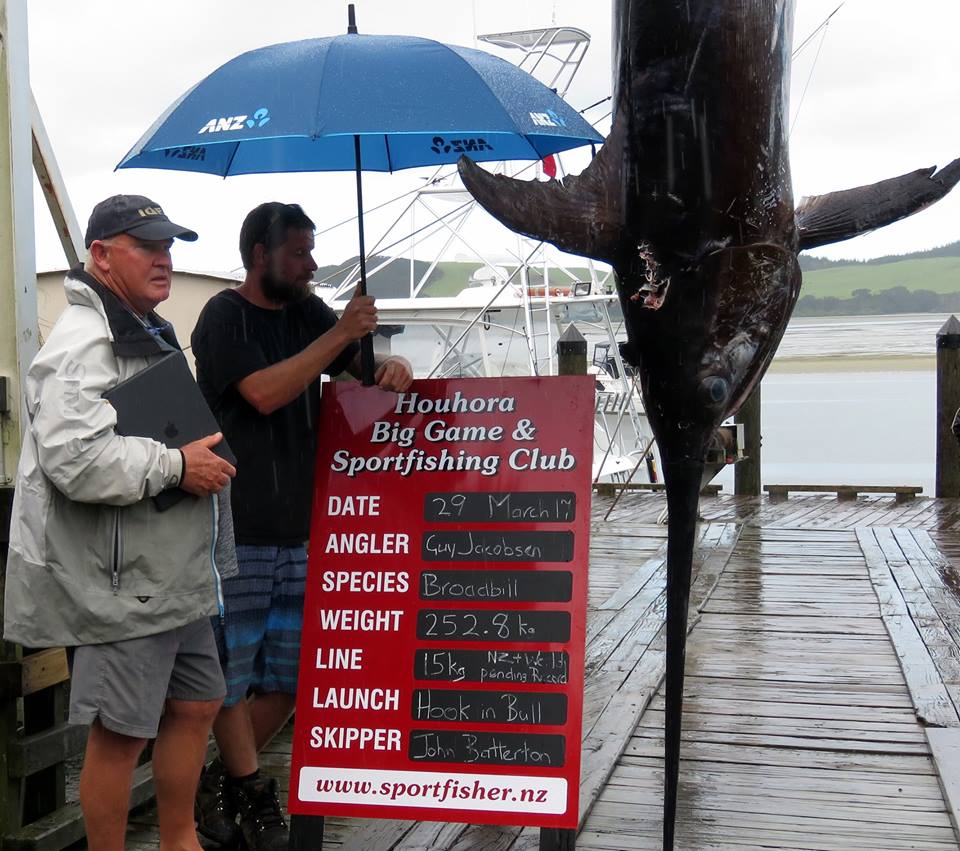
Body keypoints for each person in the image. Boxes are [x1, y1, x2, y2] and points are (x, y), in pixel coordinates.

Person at [3, 194, 238, 850]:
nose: (165, 259)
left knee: (196, 703)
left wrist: (197, 463)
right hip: (120, 586)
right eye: (148, 246)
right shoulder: (82, 343)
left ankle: (178, 840)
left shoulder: (144, 326)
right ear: (101, 256)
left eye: (169, 246)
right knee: (121, 734)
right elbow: (75, 460)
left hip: (171, 577)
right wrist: (175, 466)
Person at [190, 202, 412, 850]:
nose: (312, 265)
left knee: (289, 678)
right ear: (261, 254)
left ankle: (221, 779)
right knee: (230, 677)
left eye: (313, 252)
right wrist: (340, 334)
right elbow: (264, 391)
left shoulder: (308, 313)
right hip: (239, 525)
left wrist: (388, 368)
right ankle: (256, 794)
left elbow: (359, 371)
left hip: (301, 527)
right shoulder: (223, 318)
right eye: (299, 253)